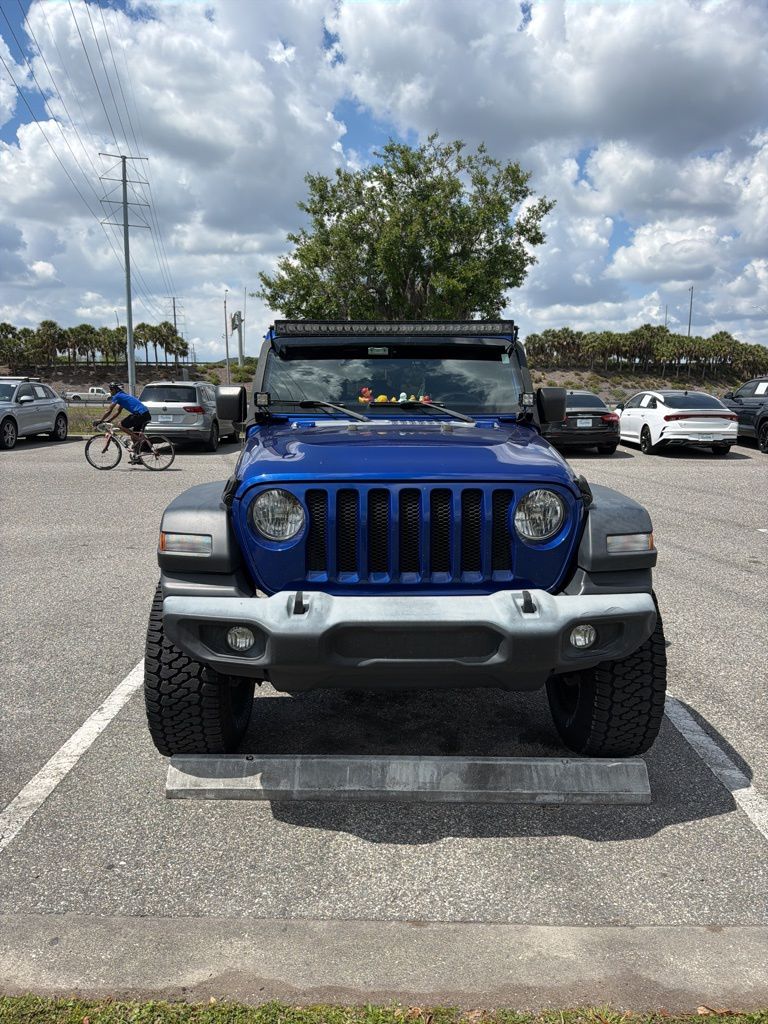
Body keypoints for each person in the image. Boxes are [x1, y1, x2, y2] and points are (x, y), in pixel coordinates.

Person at [94, 383, 152, 462]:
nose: (110, 391)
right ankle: (137, 457)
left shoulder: (117, 396)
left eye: (111, 390)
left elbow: (109, 410)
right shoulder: (122, 396)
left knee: (120, 425)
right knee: (134, 435)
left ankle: (139, 439)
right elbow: (118, 411)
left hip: (139, 414)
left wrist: (100, 420)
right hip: (145, 414)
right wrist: (109, 420)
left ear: (115, 390)